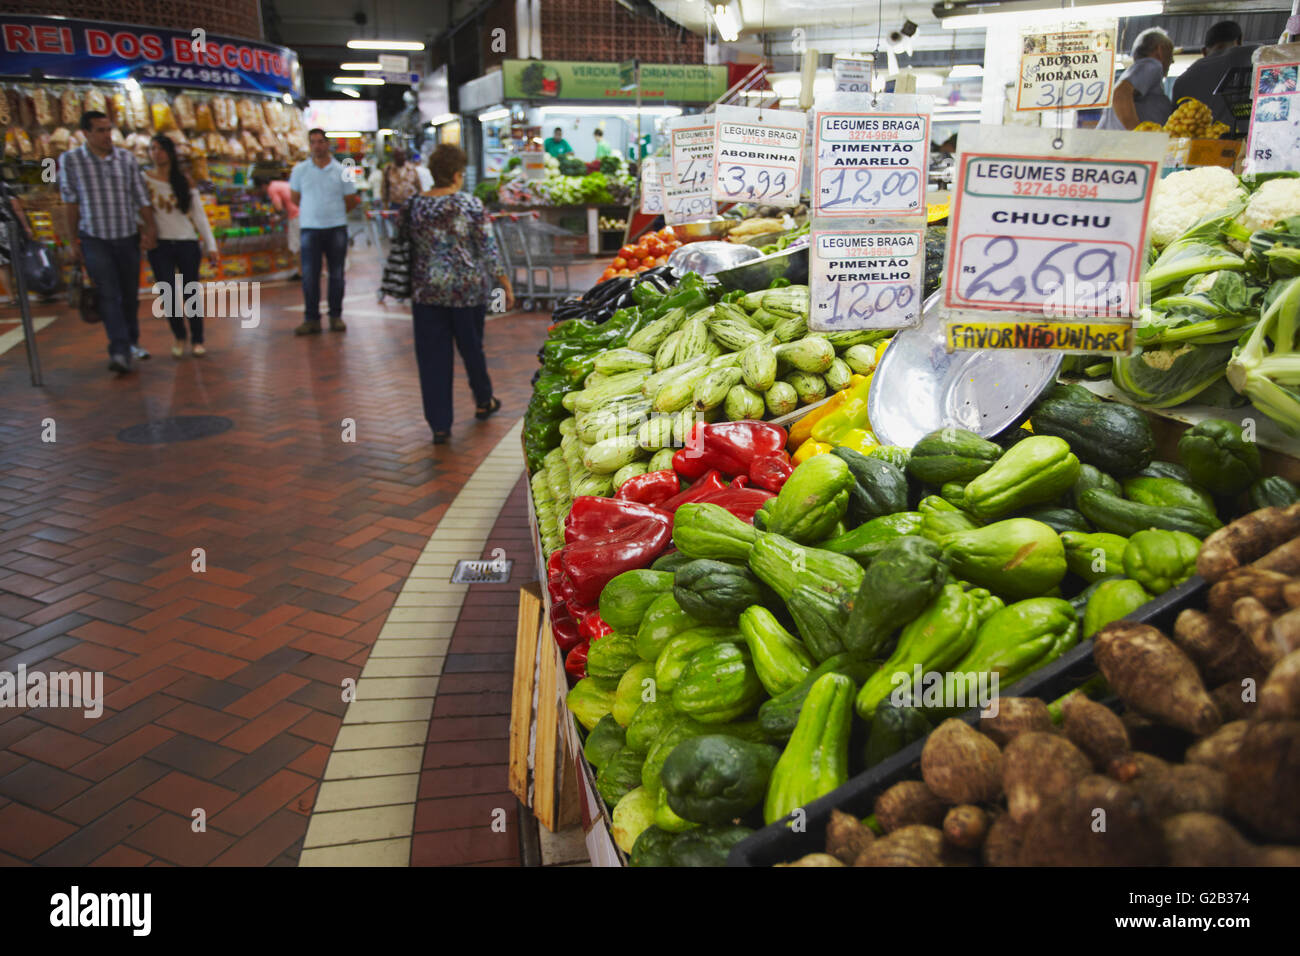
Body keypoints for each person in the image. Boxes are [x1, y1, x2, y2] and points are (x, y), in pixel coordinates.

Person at [404, 144, 514, 444]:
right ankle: (483, 400)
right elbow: (487, 248)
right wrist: (504, 282)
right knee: (472, 349)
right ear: (455, 174)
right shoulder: (469, 204)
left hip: (426, 293)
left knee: (432, 359)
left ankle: (439, 424)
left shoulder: (414, 204)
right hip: (466, 293)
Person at [59, 110, 159, 373]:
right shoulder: (70, 160)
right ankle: (119, 350)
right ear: (86, 133)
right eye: (101, 131)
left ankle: (132, 342)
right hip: (94, 238)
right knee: (108, 295)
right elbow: (70, 203)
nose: (107, 136)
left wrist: (150, 228)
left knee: (129, 295)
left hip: (127, 236)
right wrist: (72, 242)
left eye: (109, 129)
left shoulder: (126, 159)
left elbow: (141, 198)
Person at [144, 134, 219, 359]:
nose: (156, 153)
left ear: (169, 152)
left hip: (186, 242)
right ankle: (179, 335)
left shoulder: (184, 181)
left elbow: (199, 215)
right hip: (159, 245)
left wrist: (211, 244)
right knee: (167, 293)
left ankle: (197, 338)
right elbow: (138, 210)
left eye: (160, 149)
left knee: (191, 292)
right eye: (152, 149)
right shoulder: (144, 180)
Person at [289, 128, 359, 335]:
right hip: (310, 229)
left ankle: (335, 316)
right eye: (313, 142)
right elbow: (295, 198)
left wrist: (334, 213)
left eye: (320, 142)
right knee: (310, 275)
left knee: (336, 274)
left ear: (327, 144)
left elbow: (350, 200)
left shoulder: (342, 170)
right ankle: (311, 319)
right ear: (309, 146)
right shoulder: (299, 170)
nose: (317, 146)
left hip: (336, 227)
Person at [1172, 20, 1257, 127]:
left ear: (1203, 51)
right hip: (1244, 140)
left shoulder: (1181, 81)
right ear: (1239, 40)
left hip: (1196, 143)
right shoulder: (1255, 55)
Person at [1098, 28, 1174, 131]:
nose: (1172, 61)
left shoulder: (1131, 76)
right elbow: (1120, 95)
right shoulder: (1152, 64)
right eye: (1171, 53)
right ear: (1160, 49)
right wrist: (1138, 135)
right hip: (1134, 145)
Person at [262, 176, 300, 256]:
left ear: (263, 186)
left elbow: (279, 208)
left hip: (296, 216)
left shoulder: (271, 188)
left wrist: (274, 217)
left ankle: (298, 265)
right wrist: (280, 219)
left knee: (295, 246)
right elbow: (287, 210)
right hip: (303, 213)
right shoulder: (281, 184)